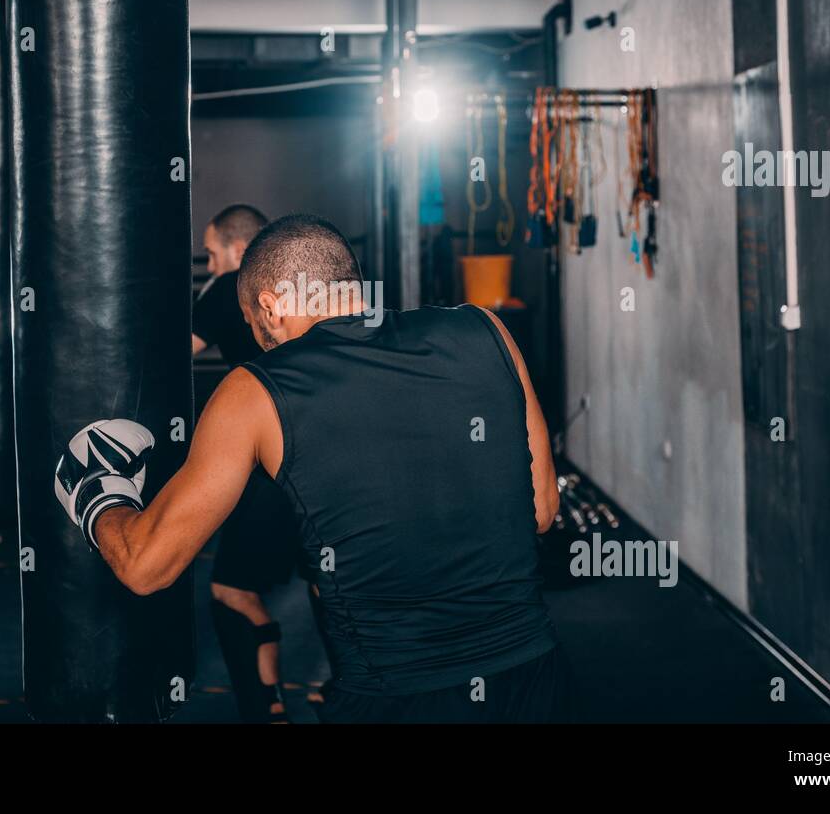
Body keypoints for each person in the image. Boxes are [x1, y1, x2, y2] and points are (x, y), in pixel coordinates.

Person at [55, 214, 567, 723]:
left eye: (256, 327)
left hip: (393, 701)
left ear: (271, 307)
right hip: (534, 684)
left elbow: (147, 566)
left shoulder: (254, 391)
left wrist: (99, 497)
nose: (259, 342)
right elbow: (541, 512)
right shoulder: (487, 329)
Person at [192, 204, 302, 723]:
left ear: (238, 251)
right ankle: (350, 692)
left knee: (232, 589)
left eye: (212, 254)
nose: (210, 264)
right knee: (332, 581)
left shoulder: (226, 288)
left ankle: (266, 711)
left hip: (266, 462)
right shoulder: (305, 284)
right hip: (327, 459)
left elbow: (171, 354)